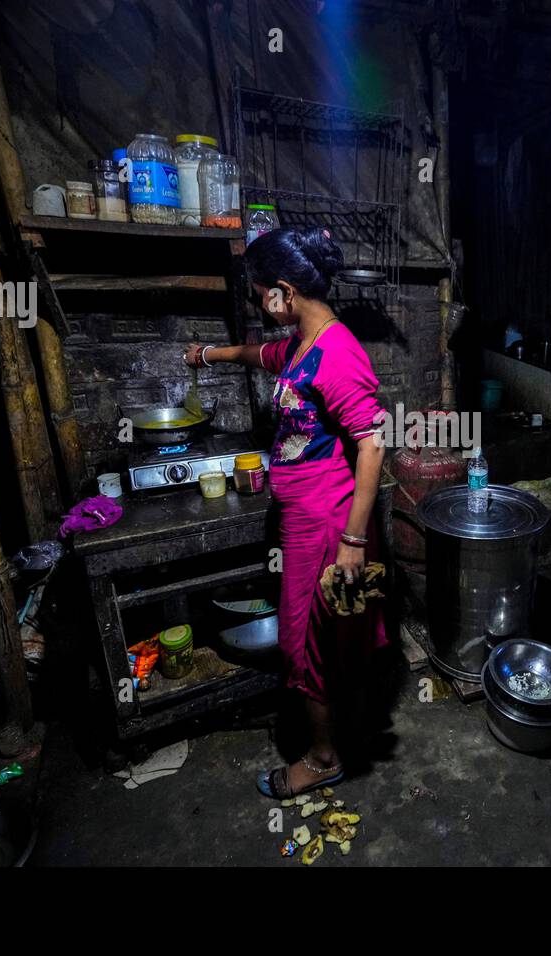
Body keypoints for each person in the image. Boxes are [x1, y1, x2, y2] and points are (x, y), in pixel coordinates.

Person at [183, 226, 387, 798]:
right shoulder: (302, 342)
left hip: (328, 519)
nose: (257, 302)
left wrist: (351, 541)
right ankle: (348, 722)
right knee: (334, 630)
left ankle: (324, 758)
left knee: (302, 640)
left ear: (285, 291)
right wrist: (209, 354)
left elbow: (373, 440)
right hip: (307, 516)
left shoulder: (337, 353)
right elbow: (260, 355)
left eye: (259, 294)